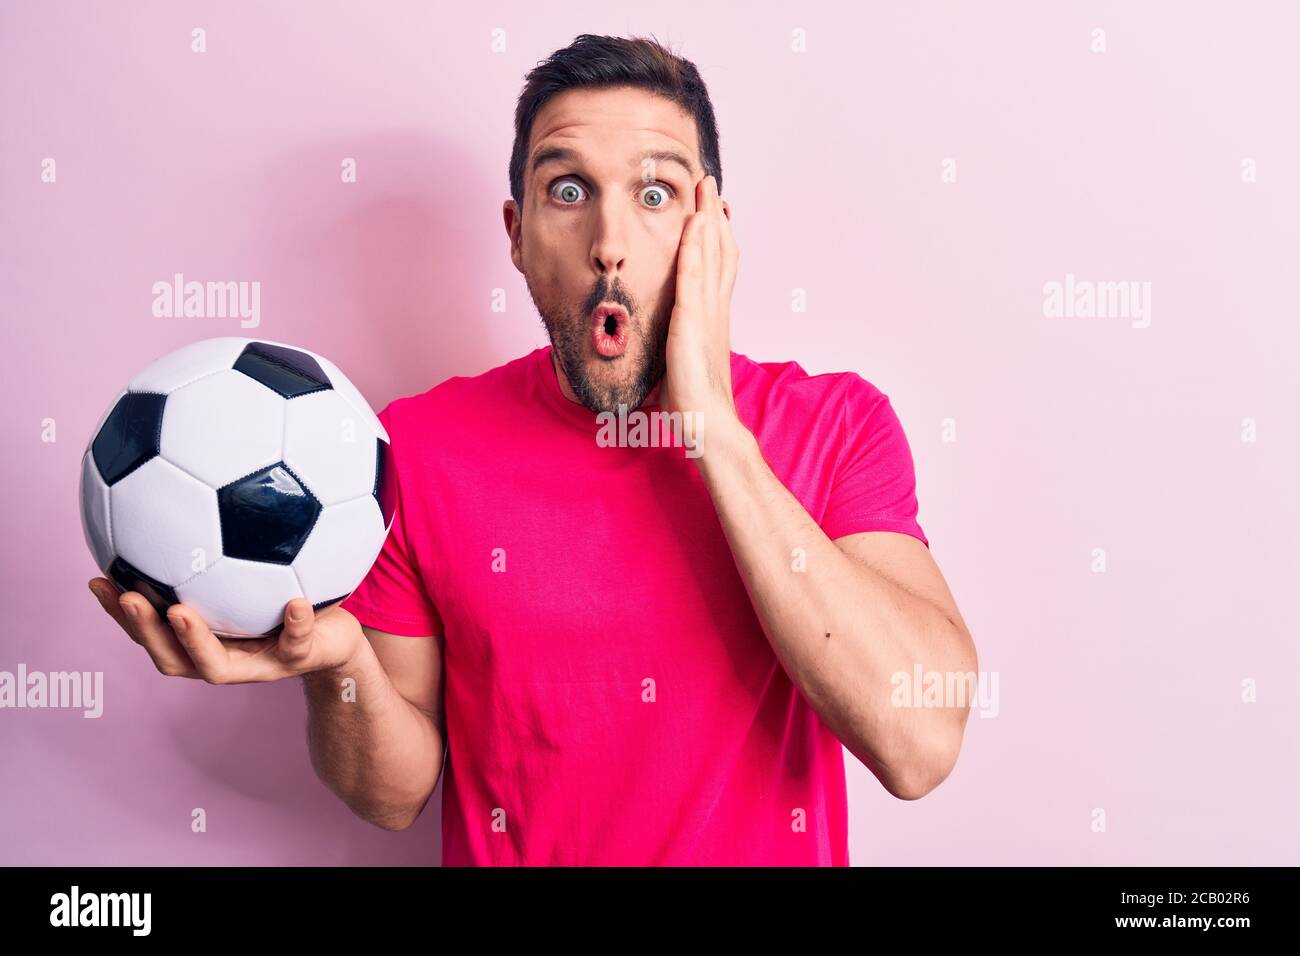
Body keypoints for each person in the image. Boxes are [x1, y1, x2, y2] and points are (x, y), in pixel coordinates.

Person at [88, 33, 977, 866]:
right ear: (514, 233)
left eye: (656, 192)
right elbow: (389, 796)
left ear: (714, 232)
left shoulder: (837, 425)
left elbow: (919, 745)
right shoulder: (417, 452)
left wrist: (711, 425)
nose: (610, 246)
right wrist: (341, 666)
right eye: (568, 190)